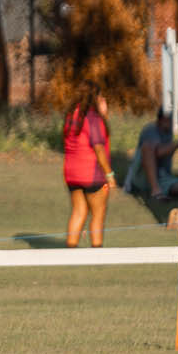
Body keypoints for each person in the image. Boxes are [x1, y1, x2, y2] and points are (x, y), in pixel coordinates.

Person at [62, 86, 113, 247]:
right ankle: (97, 252)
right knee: (98, 214)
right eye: (101, 97)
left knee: (79, 212)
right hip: (92, 174)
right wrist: (109, 175)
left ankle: (71, 251)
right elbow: (98, 148)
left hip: (71, 174)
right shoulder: (93, 118)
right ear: (95, 98)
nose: (103, 101)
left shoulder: (72, 116)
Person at [122, 110, 178, 200]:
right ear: (163, 119)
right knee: (148, 147)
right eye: (174, 120)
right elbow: (156, 152)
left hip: (162, 177)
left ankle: (163, 188)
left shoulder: (168, 132)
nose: (176, 123)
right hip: (142, 177)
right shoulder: (151, 129)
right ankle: (155, 190)